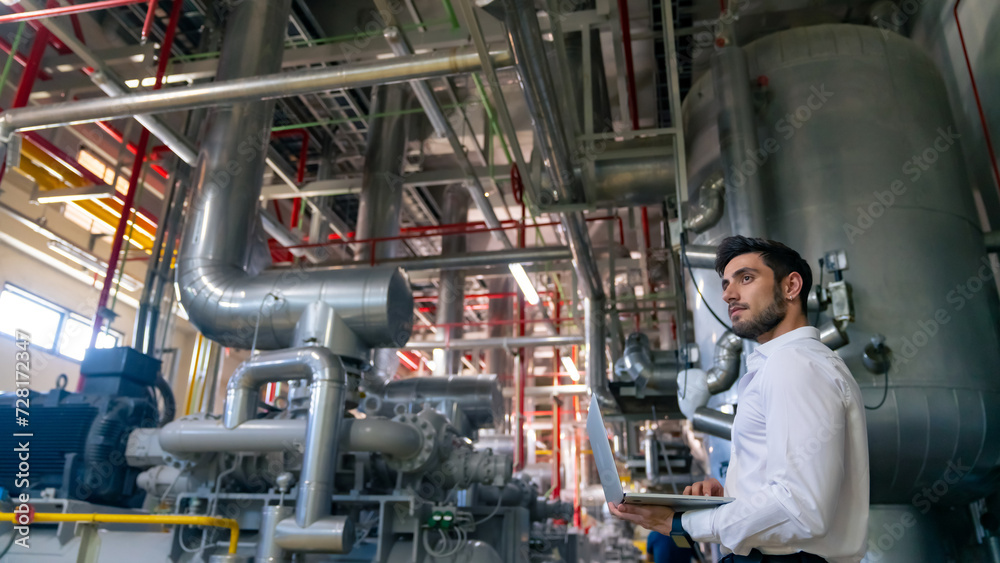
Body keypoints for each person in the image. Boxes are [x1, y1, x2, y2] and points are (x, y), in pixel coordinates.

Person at [608, 236, 870, 563]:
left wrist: (682, 523)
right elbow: (789, 492)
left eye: (746, 278)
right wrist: (732, 499)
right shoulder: (788, 365)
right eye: (726, 283)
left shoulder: (794, 366)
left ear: (791, 286)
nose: (728, 294)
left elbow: (802, 508)